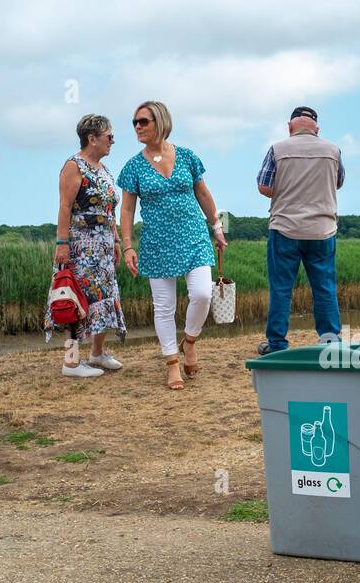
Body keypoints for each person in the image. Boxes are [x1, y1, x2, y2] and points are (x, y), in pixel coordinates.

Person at [117, 101, 227, 391]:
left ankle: (189, 341)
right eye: (135, 123)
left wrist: (216, 227)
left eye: (144, 121)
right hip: (157, 242)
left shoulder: (188, 156)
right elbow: (127, 210)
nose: (138, 127)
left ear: (161, 122)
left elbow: (203, 194)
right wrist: (127, 246)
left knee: (202, 294)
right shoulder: (133, 167)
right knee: (164, 307)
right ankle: (172, 363)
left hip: (193, 236)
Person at [255, 105, 345, 355]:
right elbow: (337, 182)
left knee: (281, 288)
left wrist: (286, 192)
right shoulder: (333, 151)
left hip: (284, 227)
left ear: (290, 126)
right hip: (322, 229)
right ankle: (330, 343)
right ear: (316, 128)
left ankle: (277, 345)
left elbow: (263, 185)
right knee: (325, 287)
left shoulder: (278, 149)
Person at [44, 114, 127, 378]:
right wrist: (62, 243)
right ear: (92, 138)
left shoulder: (103, 169)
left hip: (103, 247)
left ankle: (97, 353)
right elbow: (65, 207)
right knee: (74, 299)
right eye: (109, 136)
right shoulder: (74, 166)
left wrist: (115, 240)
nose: (113, 141)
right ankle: (70, 363)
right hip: (80, 245)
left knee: (103, 297)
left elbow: (110, 210)